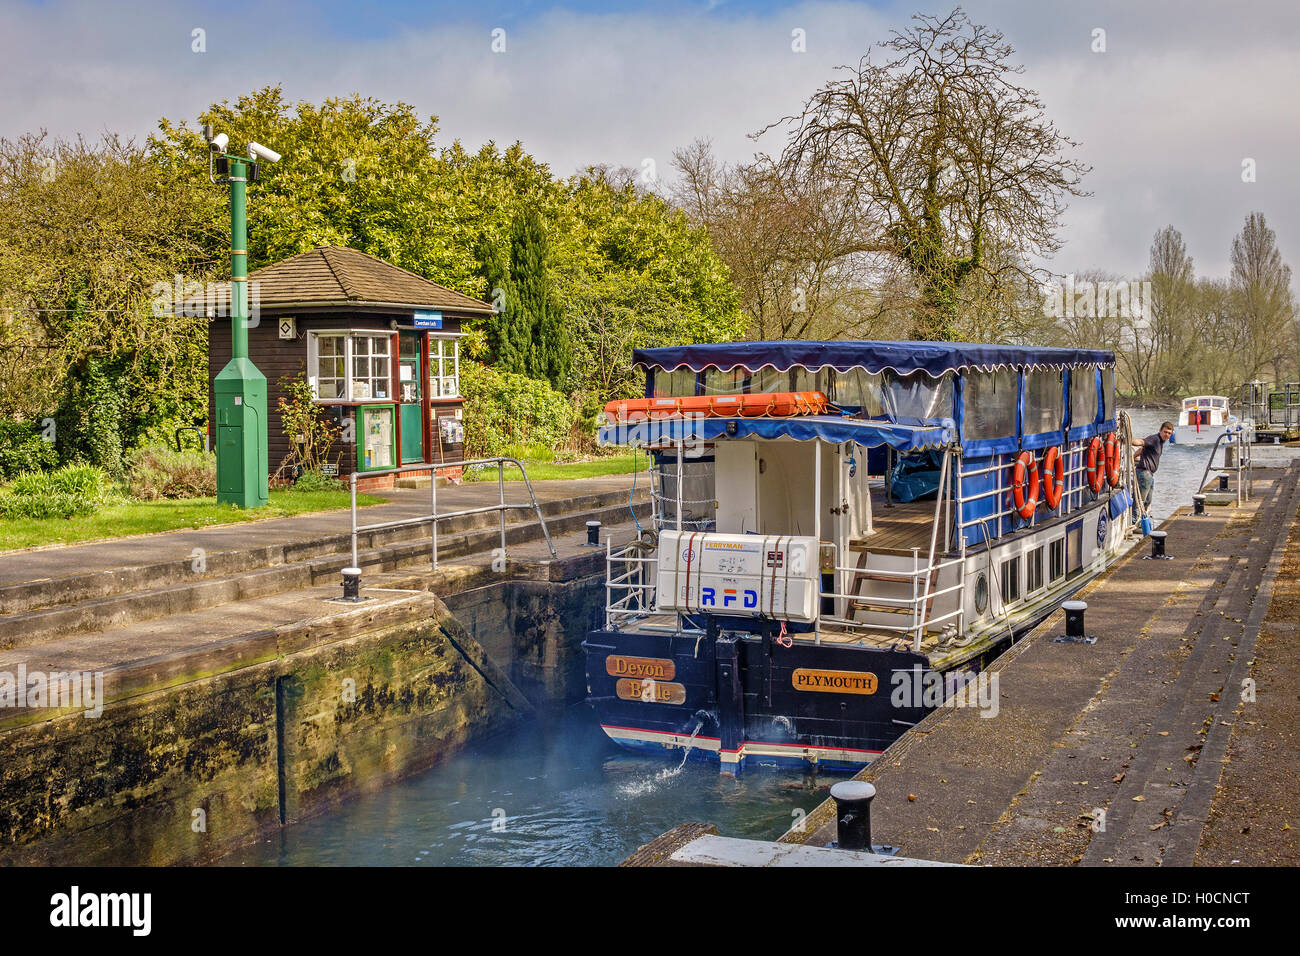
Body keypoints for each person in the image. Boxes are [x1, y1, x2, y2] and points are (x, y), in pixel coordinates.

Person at [1131, 420, 1174, 522]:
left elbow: (1142, 449)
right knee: (1140, 501)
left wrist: (1133, 457)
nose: (1167, 435)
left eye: (1169, 433)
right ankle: (1134, 522)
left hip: (1150, 475)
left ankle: (1143, 521)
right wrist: (1128, 440)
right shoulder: (1154, 439)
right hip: (1144, 474)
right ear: (1160, 430)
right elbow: (1141, 442)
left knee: (1147, 501)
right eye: (1165, 432)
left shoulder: (1160, 442)